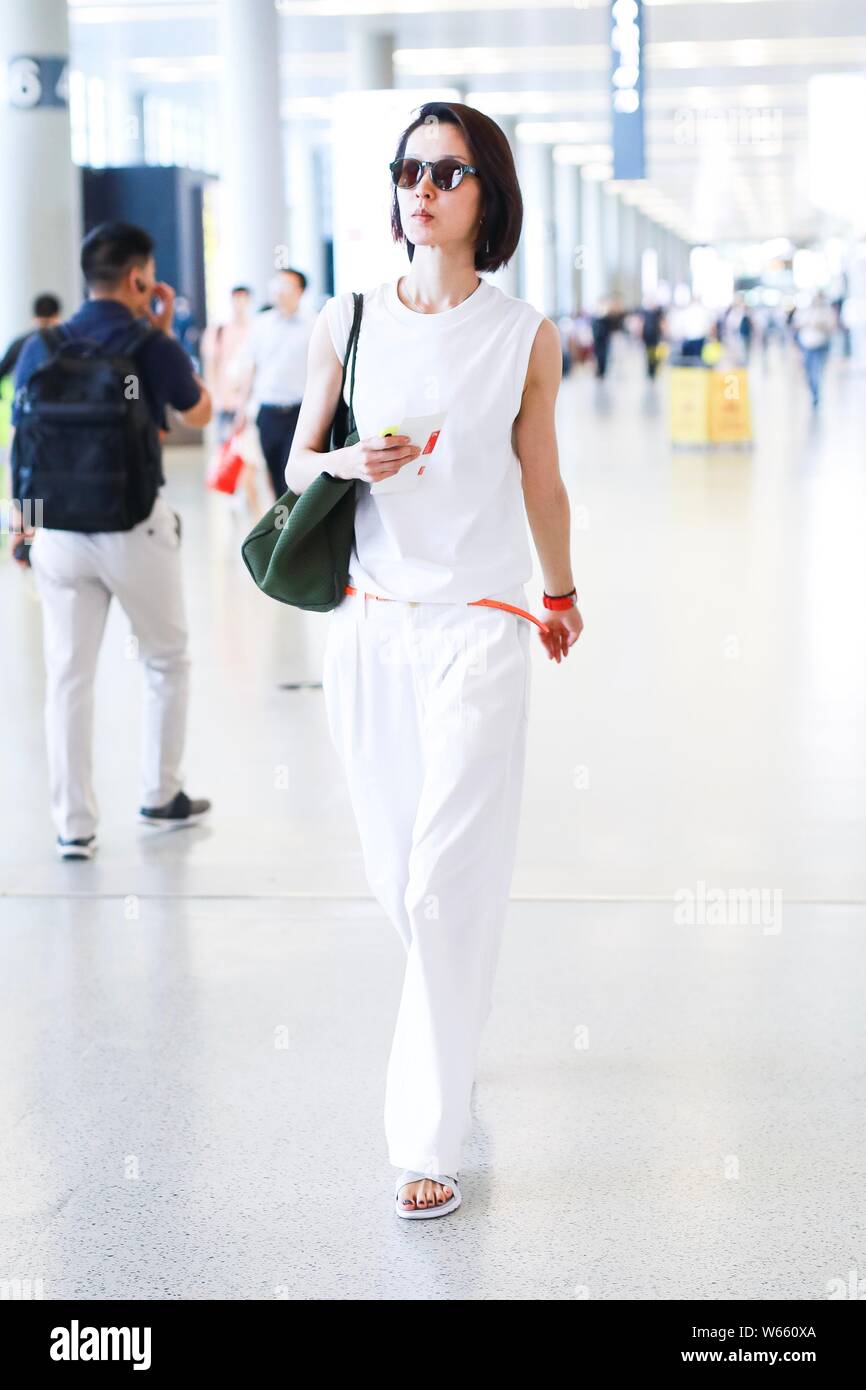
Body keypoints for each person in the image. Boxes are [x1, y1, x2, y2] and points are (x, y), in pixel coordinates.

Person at [286, 100, 584, 1219]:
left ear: (485, 196)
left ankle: (427, 1136)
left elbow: (540, 479)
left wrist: (557, 591)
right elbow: (298, 457)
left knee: (443, 879)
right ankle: (453, 1028)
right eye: (408, 169)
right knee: (391, 877)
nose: (422, 187)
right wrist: (350, 460)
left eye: (447, 171)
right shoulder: (347, 316)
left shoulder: (523, 335)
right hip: (369, 624)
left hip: (480, 624)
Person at [8, 221, 213, 860]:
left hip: (59, 533)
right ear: (139, 279)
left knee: (68, 677)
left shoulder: (41, 347)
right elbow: (198, 412)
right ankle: (160, 794)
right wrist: (165, 326)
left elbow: (24, 447)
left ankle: (73, 827)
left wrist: (25, 529)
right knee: (165, 660)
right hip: (133, 529)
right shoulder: (147, 345)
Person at [237, 268, 312, 500]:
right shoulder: (261, 324)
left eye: (286, 287)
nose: (279, 292)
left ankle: (298, 525)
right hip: (267, 412)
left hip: (300, 412)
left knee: (294, 473)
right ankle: (283, 525)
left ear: (299, 292)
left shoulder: (314, 323)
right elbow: (251, 368)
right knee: (272, 472)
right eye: (276, 286)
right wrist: (241, 409)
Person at [202, 285, 253, 443]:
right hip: (224, 401)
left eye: (243, 299)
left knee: (248, 453)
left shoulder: (255, 330)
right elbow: (210, 364)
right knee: (225, 448)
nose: (240, 303)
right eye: (236, 299)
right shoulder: (219, 330)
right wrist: (213, 395)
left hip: (249, 402)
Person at [0, 293, 62, 384]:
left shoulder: (19, 344)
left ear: (35, 316)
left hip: (25, 397)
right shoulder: (66, 342)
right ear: (56, 315)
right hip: (60, 397)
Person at [793, 290, 837, 408]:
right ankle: (813, 390)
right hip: (807, 345)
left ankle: (816, 394)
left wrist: (820, 325)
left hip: (821, 345)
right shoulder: (804, 312)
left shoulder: (826, 311)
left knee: (816, 370)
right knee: (808, 370)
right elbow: (796, 325)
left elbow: (832, 326)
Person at [640, 296, 666, 379]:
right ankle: (650, 370)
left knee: (656, 354)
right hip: (647, 336)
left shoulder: (658, 312)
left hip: (656, 336)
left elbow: (662, 323)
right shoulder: (644, 312)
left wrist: (664, 333)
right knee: (648, 354)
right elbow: (642, 324)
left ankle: (654, 369)